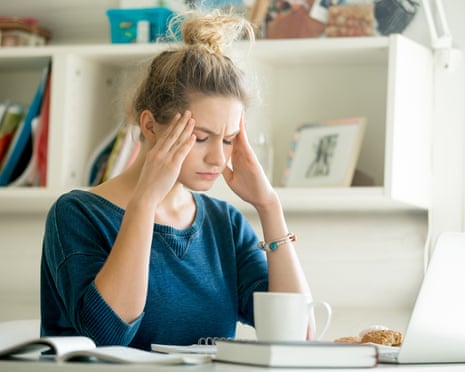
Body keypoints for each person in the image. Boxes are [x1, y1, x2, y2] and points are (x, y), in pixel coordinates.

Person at [40, 9, 311, 351]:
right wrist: (144, 202)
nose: (218, 157)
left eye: (227, 140)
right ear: (151, 126)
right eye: (201, 137)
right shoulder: (78, 214)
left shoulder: (224, 224)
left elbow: (296, 335)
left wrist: (269, 206)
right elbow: (105, 336)